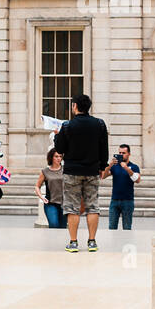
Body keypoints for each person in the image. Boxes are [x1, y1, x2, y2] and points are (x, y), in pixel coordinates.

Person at [53, 94, 108, 253]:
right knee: (92, 206)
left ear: (75, 106)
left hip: (72, 171)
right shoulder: (99, 124)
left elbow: (60, 149)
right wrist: (102, 166)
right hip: (92, 170)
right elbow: (104, 148)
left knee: (72, 207)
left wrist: (58, 135)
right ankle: (92, 241)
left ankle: (73, 242)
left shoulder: (68, 126)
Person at [102, 143, 140, 230]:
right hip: (114, 201)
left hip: (128, 201)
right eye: (120, 153)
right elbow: (103, 176)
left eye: (123, 153)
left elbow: (137, 180)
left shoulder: (134, 167)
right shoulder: (114, 166)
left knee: (127, 227)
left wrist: (126, 168)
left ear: (129, 154)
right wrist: (110, 165)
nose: (121, 155)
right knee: (112, 227)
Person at [35, 147, 66, 229]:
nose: (59, 158)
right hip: (50, 203)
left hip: (65, 203)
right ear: (51, 157)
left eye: (60, 156)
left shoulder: (65, 170)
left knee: (63, 227)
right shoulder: (45, 171)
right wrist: (41, 197)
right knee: (54, 225)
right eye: (56, 156)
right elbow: (37, 186)